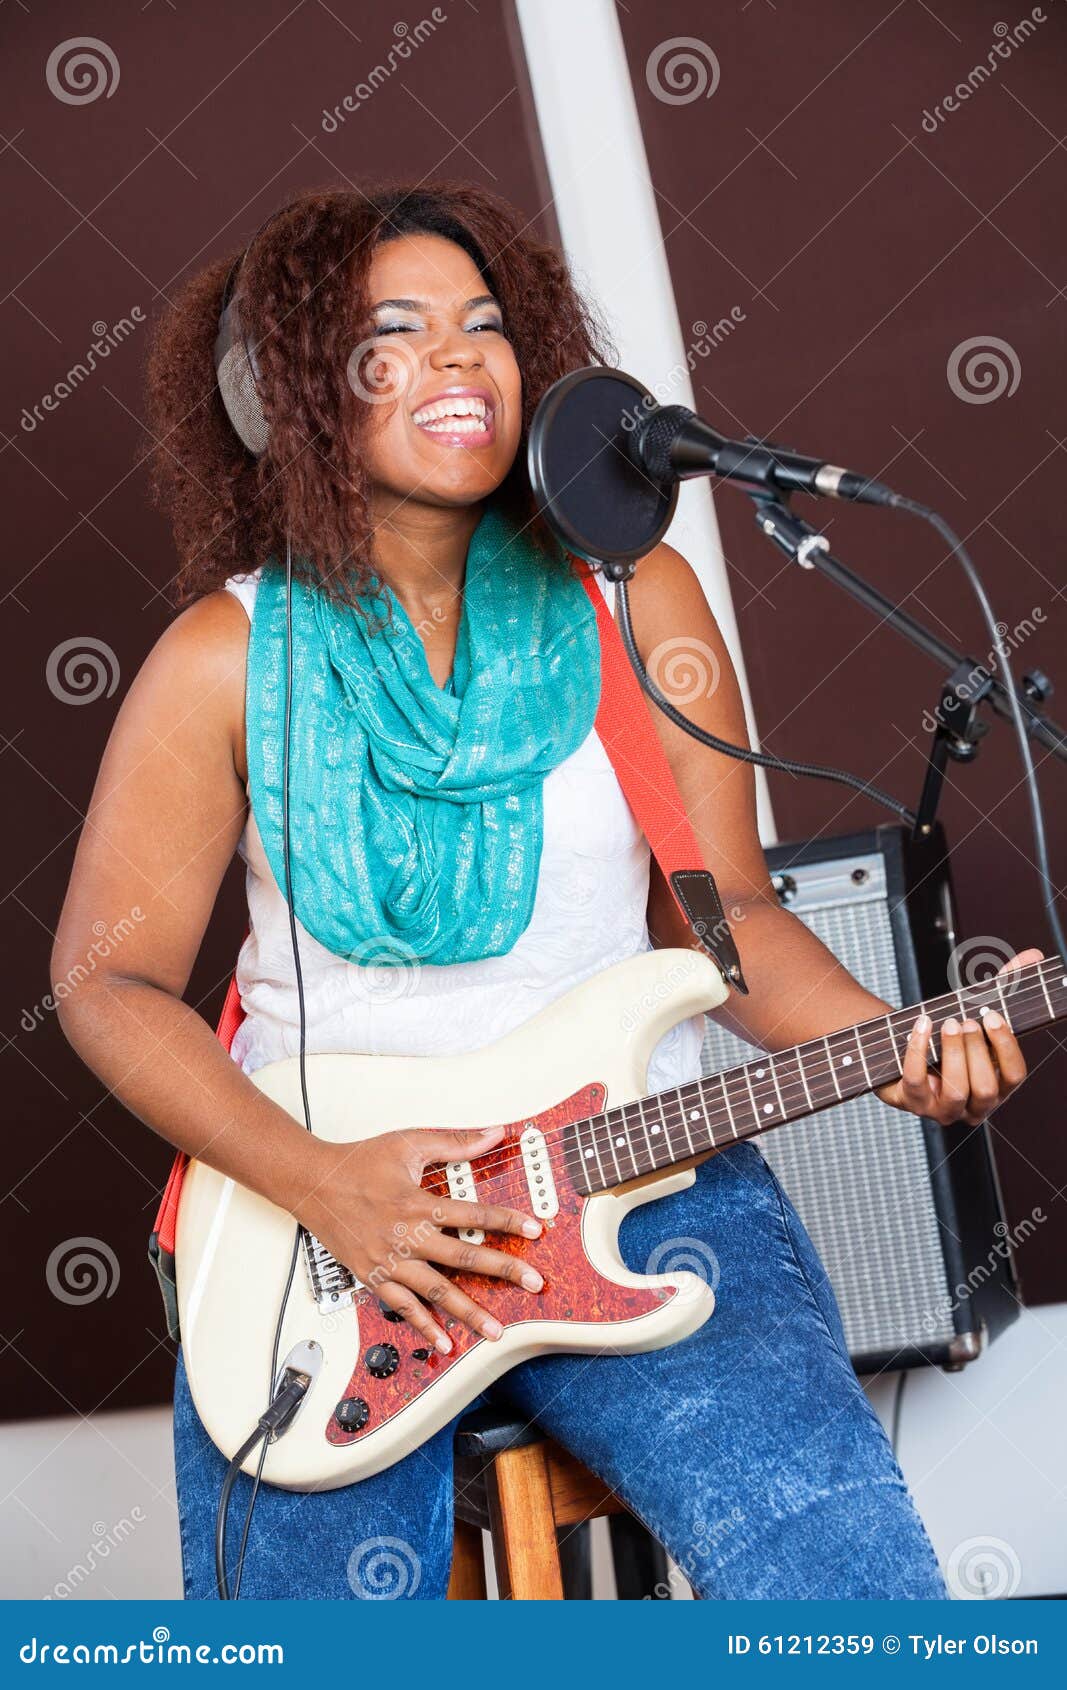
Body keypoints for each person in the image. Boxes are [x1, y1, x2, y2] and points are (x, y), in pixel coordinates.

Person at [53, 182, 1035, 1601]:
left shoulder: (639, 599)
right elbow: (106, 981)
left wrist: (896, 1047)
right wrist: (324, 1184)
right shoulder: (223, 658)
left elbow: (724, 924)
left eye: (485, 326)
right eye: (393, 334)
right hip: (324, 1227)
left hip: (648, 1178)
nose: (458, 359)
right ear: (286, 397)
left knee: (855, 1604)